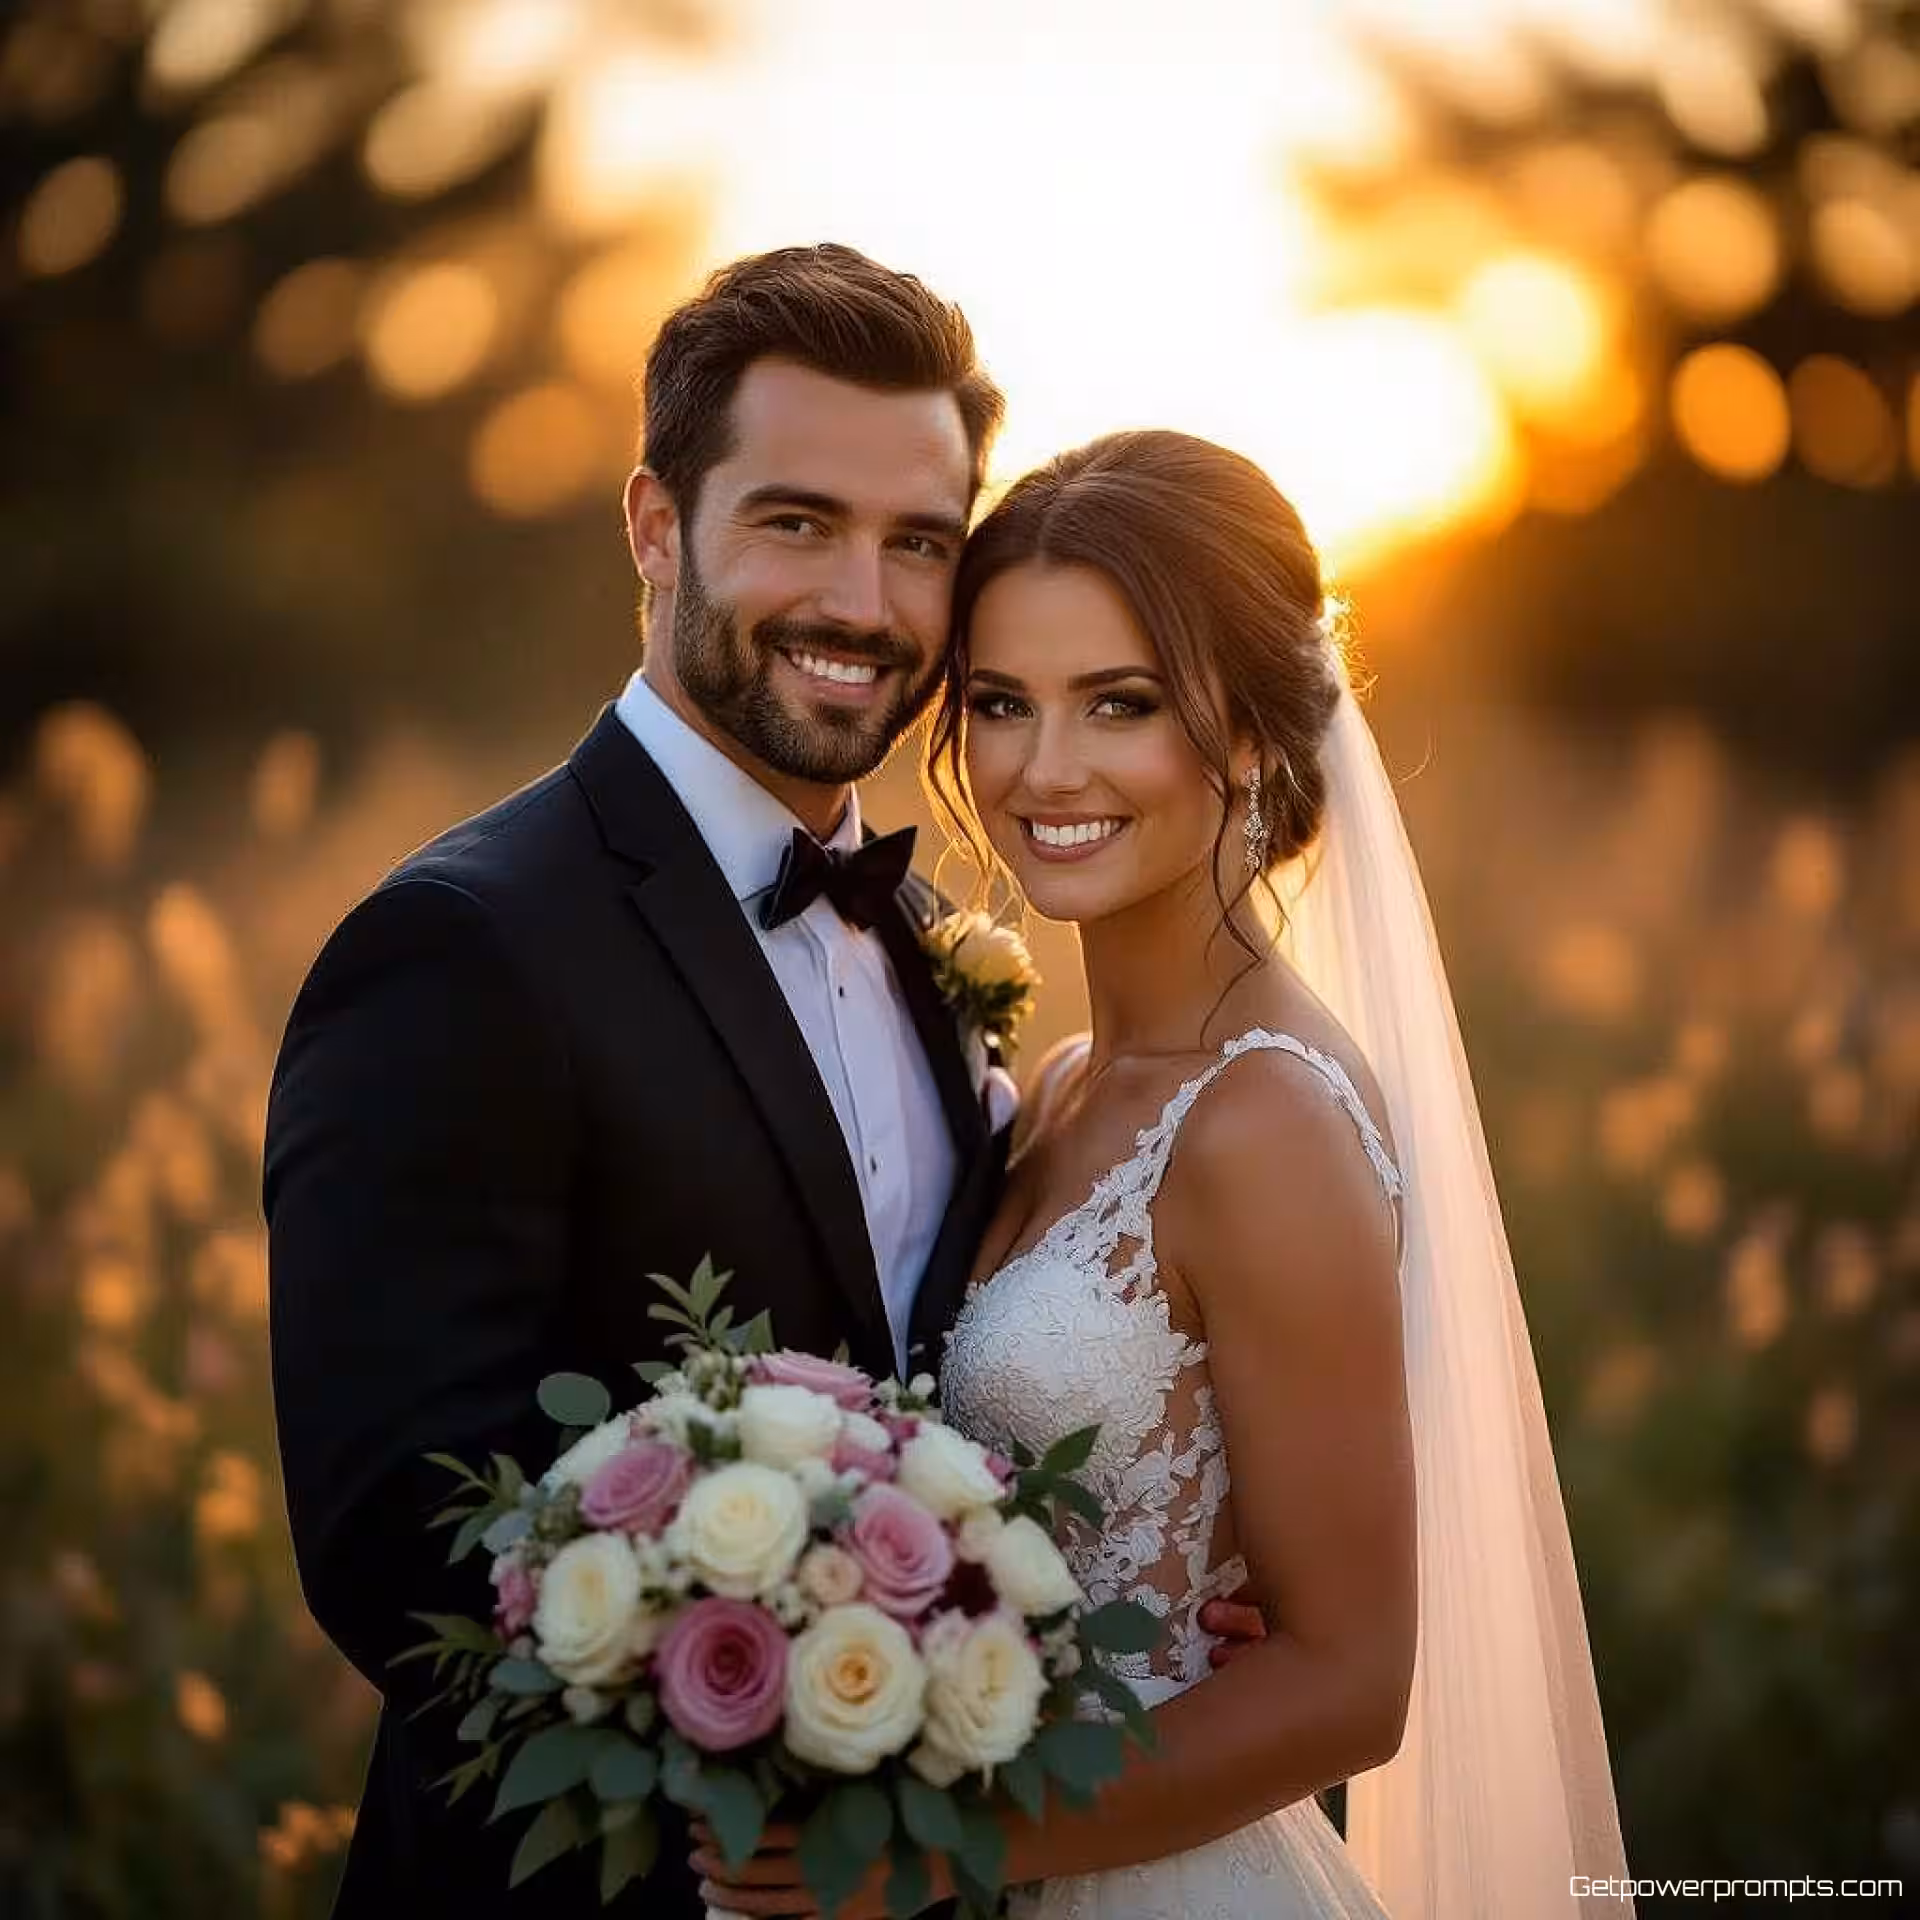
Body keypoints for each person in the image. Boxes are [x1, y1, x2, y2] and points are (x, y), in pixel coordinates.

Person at [265, 252, 1263, 1917]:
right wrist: (793, 1776)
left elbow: (953, 1392)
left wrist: (1137, 1605)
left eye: (919, 542)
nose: (863, 604)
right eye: (798, 523)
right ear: (656, 526)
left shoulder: (934, 939)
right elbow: (398, 1548)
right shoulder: (460, 950)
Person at [697, 431, 1633, 1918]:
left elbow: (1348, 1686)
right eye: (1002, 703)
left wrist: (925, 1852)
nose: (1045, 769)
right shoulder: (1069, 1081)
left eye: (1119, 704)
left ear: (1249, 734)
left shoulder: (1263, 1122)